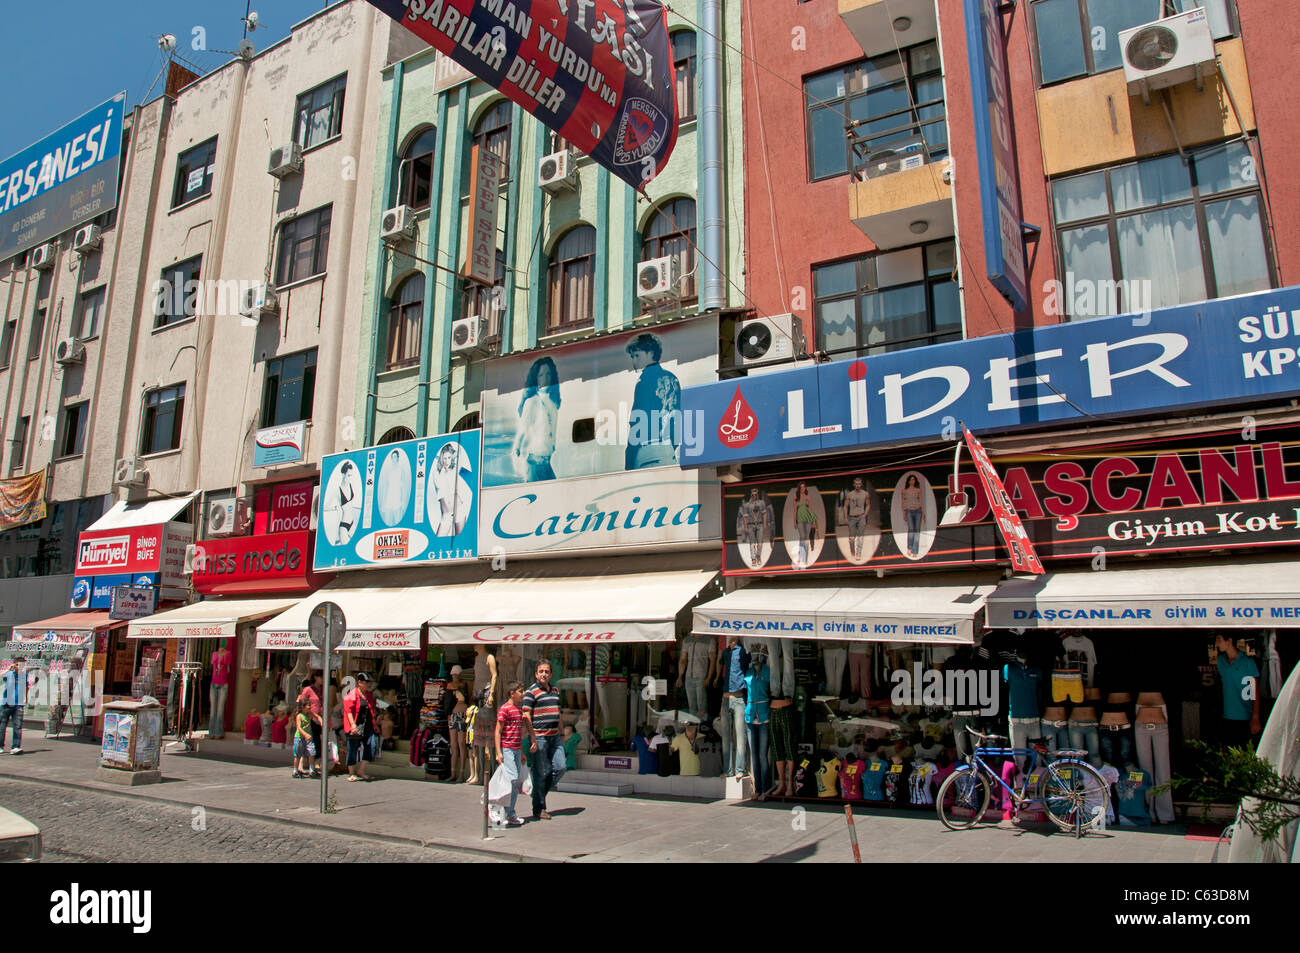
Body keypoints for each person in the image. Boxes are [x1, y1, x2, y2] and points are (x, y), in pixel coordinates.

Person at [625, 332, 682, 469]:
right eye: (632, 357)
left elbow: (638, 420)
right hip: (669, 450)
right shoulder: (672, 378)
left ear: (650, 353)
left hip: (647, 451)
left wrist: (629, 457)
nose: (634, 361)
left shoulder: (644, 381)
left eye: (637, 355)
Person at [521, 660, 565, 820]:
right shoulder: (530, 692)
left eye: (547, 671)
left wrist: (562, 733)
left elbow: (557, 713)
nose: (544, 674)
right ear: (536, 674)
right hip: (539, 737)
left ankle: (537, 794)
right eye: (541, 671)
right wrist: (532, 737)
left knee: (560, 767)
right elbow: (526, 716)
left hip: (554, 736)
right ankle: (539, 808)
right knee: (541, 773)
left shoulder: (555, 690)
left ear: (551, 674)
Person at [513, 356, 561, 482]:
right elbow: (523, 428)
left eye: (548, 374)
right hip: (535, 463)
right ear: (536, 378)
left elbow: (553, 429)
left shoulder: (552, 403)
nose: (546, 378)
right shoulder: (532, 401)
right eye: (541, 375)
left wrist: (553, 445)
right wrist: (517, 447)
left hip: (547, 462)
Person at [1215, 634, 1261, 746]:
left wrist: (1255, 717)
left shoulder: (1247, 662)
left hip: (1245, 716)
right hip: (1227, 716)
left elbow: (1255, 691)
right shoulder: (1221, 661)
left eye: (1219, 640)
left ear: (1229, 640)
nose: (1217, 644)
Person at [494, 680, 527, 826]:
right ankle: (501, 807)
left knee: (514, 782)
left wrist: (521, 751)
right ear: (512, 693)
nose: (523, 694)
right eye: (520, 691)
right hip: (507, 749)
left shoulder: (519, 710)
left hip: (516, 750)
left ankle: (509, 812)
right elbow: (498, 731)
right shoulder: (504, 709)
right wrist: (498, 752)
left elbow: (518, 734)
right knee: (512, 780)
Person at [431, 441, 472, 536]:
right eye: (444, 458)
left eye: (449, 458)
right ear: (441, 458)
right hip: (446, 514)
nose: (446, 461)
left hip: (459, 509)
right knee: (438, 542)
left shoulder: (456, 469)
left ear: (452, 458)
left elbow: (469, 475)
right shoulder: (437, 473)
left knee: (461, 542)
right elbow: (439, 487)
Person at [343, 672, 377, 782]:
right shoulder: (352, 695)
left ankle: (361, 770)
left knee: (371, 746)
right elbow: (348, 711)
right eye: (366, 682)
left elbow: (371, 709)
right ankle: (351, 773)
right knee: (352, 748)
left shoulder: (369, 695)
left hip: (367, 725)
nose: (368, 684)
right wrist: (353, 725)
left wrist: (375, 723)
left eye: (369, 682)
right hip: (356, 725)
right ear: (359, 683)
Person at [296, 672, 323, 777]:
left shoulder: (321, 689)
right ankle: (300, 766)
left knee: (315, 742)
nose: (322, 679)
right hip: (308, 718)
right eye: (321, 677)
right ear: (315, 677)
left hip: (317, 718)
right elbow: (301, 702)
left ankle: (313, 766)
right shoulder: (308, 689)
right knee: (306, 741)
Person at [842, 477, 871, 561]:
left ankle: (858, 553)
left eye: (859, 484)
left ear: (861, 484)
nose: (858, 485)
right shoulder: (850, 494)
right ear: (854, 485)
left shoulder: (865, 494)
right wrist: (845, 517)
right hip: (852, 517)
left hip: (861, 516)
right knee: (851, 538)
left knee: (860, 536)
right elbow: (845, 506)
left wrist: (865, 514)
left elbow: (868, 504)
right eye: (856, 484)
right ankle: (852, 548)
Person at [209, 639, 233, 739]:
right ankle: (212, 732)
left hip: (223, 684)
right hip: (214, 683)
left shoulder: (228, 654)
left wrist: (222, 654)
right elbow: (213, 662)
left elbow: (227, 662)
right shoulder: (214, 654)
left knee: (220, 710)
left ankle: (218, 732)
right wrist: (219, 655)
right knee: (213, 709)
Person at [0, 659, 24, 754]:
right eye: (17, 665)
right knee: (2, 726)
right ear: (14, 665)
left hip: (18, 704)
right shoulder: (9, 674)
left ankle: (16, 747)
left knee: (17, 726)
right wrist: (7, 670)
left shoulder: (24, 675)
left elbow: (26, 687)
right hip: (6, 704)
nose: (19, 667)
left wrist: (25, 698)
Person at [792, 483, 818, 569]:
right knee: (802, 536)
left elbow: (811, 509)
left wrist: (813, 521)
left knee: (806, 538)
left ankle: (804, 559)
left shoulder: (808, 497)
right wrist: (794, 521)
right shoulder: (796, 498)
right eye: (801, 487)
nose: (802, 488)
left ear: (805, 488)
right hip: (800, 519)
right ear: (799, 488)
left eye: (804, 487)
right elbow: (795, 511)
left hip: (808, 519)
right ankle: (801, 555)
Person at [900, 474, 925, 557]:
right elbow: (903, 502)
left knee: (917, 530)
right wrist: (903, 513)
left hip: (918, 510)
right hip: (909, 511)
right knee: (911, 529)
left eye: (913, 479)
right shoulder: (904, 490)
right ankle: (910, 547)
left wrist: (923, 512)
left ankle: (915, 551)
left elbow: (921, 501)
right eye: (911, 479)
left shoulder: (918, 490)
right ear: (908, 481)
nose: (912, 481)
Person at [292, 700, 314, 778]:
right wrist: (305, 734)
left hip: (308, 738)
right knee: (297, 755)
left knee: (311, 752)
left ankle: (312, 769)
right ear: (303, 707)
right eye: (308, 705)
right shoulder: (299, 716)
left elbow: (317, 716)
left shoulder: (309, 714)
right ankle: (295, 770)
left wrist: (322, 721)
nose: (310, 707)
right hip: (300, 738)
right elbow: (299, 727)